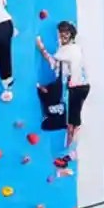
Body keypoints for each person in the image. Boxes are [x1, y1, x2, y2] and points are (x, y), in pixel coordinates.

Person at [36, 21, 90, 150]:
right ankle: (70, 145)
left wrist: (41, 46)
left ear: (71, 34)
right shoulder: (71, 49)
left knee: (73, 120)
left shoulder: (70, 49)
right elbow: (55, 64)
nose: (62, 35)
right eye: (61, 33)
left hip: (76, 88)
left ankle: (71, 146)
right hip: (77, 86)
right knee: (72, 119)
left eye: (66, 33)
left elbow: (54, 60)